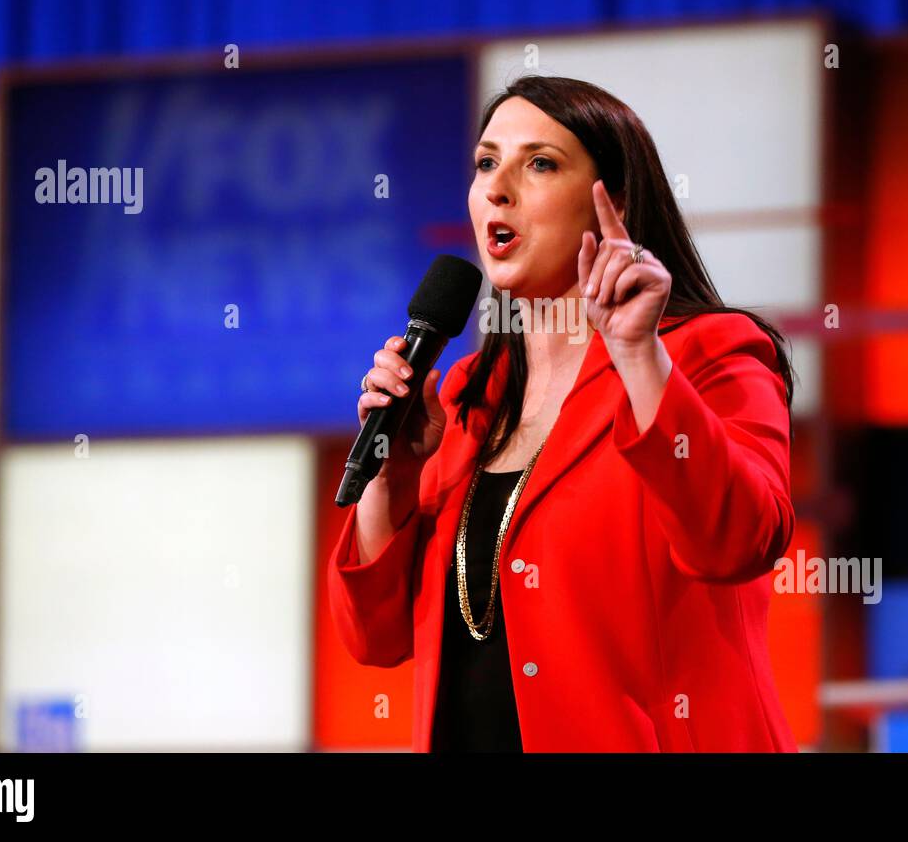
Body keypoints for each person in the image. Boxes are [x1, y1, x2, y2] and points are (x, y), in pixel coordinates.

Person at [327, 75, 798, 752]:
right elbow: (373, 638)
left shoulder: (707, 353)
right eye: (487, 163)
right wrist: (393, 479)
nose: (497, 187)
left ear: (618, 201)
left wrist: (637, 354)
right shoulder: (466, 397)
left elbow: (740, 540)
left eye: (539, 164)